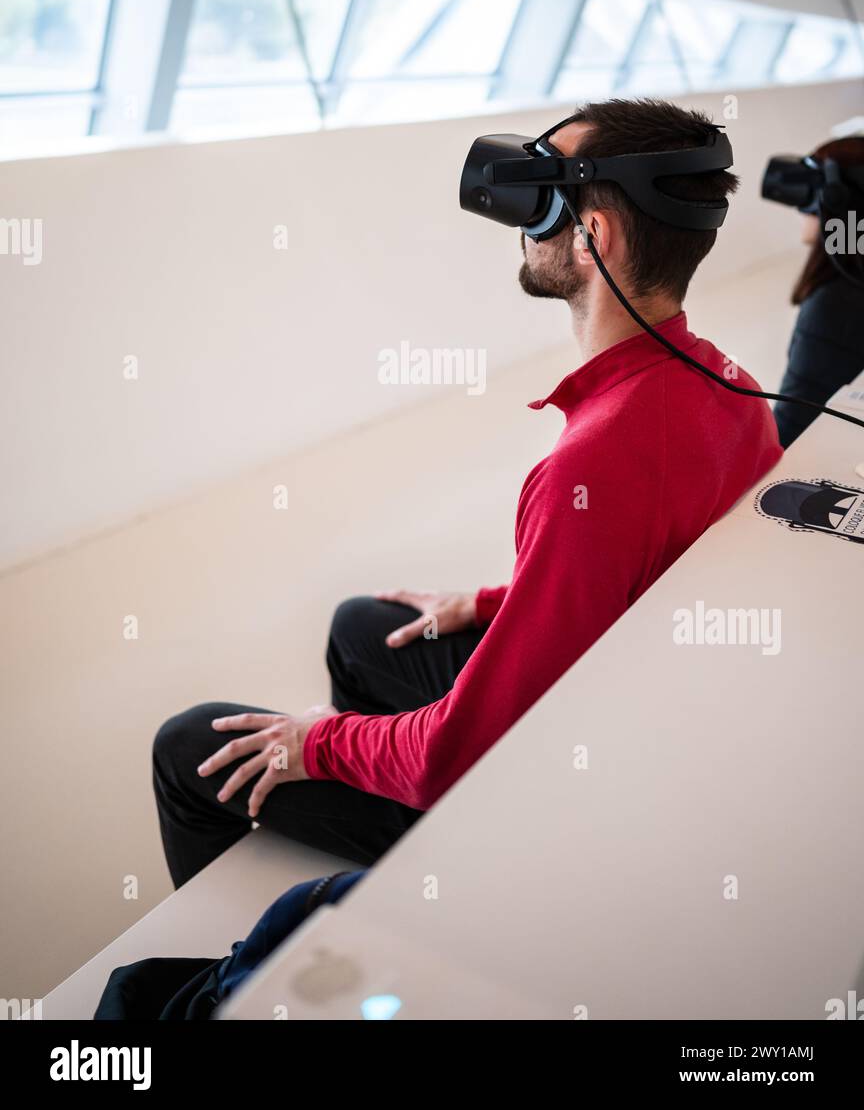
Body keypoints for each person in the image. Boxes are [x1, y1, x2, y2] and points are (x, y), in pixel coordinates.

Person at [153, 98, 782, 882]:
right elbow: (642, 565)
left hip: (561, 804)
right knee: (365, 626)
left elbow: (457, 753)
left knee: (189, 748)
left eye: (545, 198)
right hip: (633, 708)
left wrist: (314, 742)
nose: (524, 222)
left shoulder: (589, 461)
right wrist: (493, 604)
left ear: (596, 239)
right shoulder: (731, 383)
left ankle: (307, 943)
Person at [774, 136, 864, 448]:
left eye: (813, 190)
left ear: (837, 199)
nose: (801, 208)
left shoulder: (836, 304)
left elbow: (789, 431)